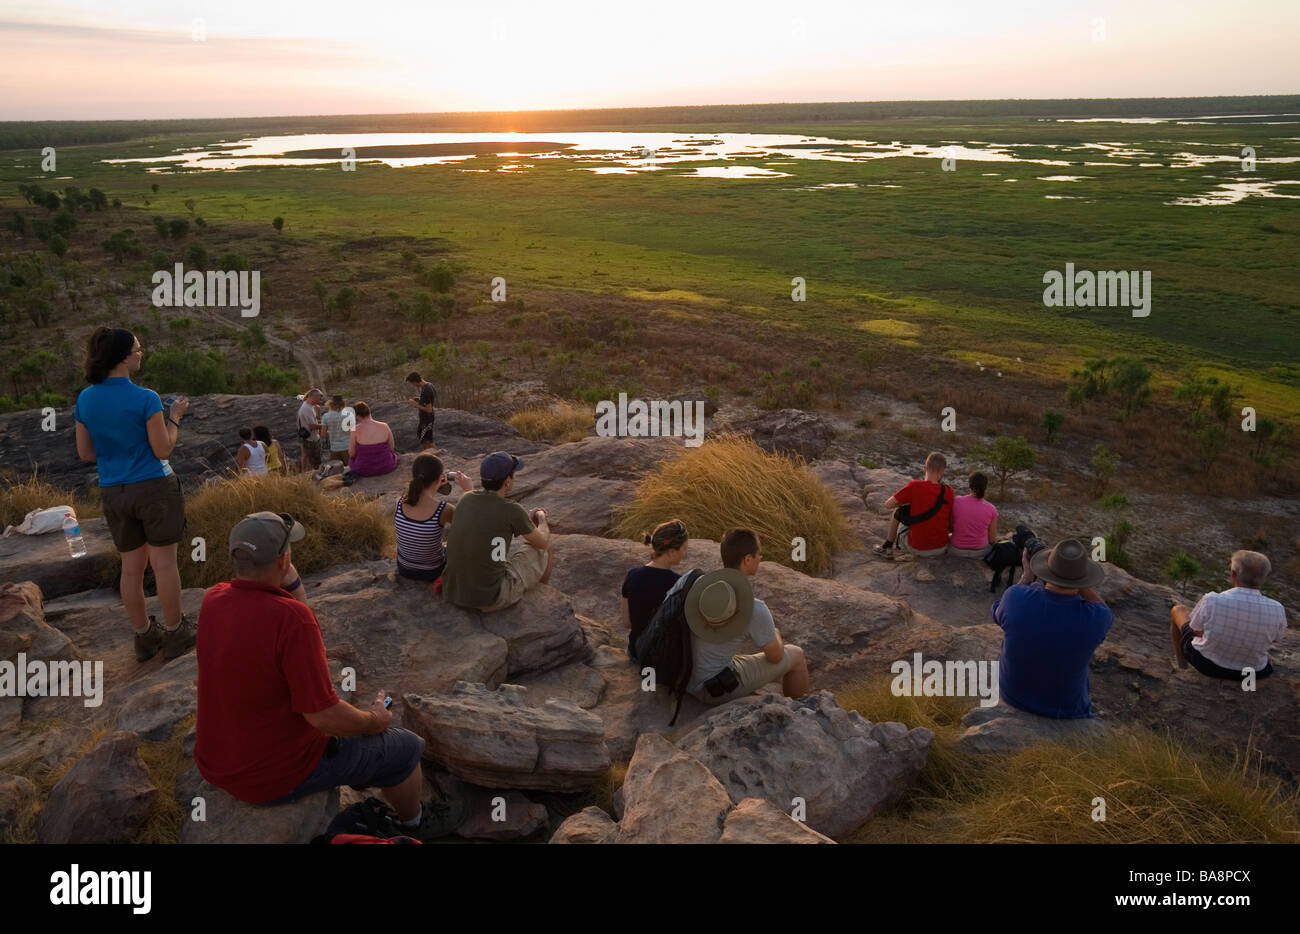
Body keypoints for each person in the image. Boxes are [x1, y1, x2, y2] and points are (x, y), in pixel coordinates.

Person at [194, 511, 462, 837]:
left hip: (215, 762)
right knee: (405, 748)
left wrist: (291, 584)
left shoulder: (213, 599)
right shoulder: (293, 622)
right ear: (283, 559)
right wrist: (372, 721)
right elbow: (323, 716)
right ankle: (414, 824)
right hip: (272, 776)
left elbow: (286, 625)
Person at [73, 327, 196, 663]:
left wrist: (118, 451)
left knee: (132, 568)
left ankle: (144, 636)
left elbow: (85, 453)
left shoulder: (85, 399)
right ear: (124, 357)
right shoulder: (146, 398)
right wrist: (174, 418)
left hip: (114, 491)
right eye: (138, 349)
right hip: (154, 486)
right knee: (164, 563)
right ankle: (175, 632)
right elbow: (162, 449)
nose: (141, 354)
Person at [684, 529, 809, 705]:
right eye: (759, 554)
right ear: (747, 559)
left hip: (685, 677)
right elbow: (776, 657)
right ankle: (799, 712)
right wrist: (776, 634)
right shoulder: (754, 608)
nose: (761, 558)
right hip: (712, 689)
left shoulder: (699, 585)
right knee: (797, 655)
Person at [990, 539, 1113, 718]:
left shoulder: (1015, 599)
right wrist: (1079, 582)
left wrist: (1027, 576)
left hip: (1013, 697)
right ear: (1084, 578)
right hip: (1066, 709)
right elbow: (1103, 608)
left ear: (1044, 570)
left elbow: (998, 611)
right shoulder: (1098, 618)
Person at [441, 452, 553, 612]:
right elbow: (542, 542)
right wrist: (541, 519)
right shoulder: (512, 509)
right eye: (513, 475)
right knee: (546, 548)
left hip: (454, 591)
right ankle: (544, 600)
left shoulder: (465, 499)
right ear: (507, 482)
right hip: (489, 597)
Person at [1170, 550, 1286, 681]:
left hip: (1209, 666)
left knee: (1178, 610)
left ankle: (1182, 667)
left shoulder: (1212, 599)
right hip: (1254, 673)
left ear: (1233, 574)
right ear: (1264, 578)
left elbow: (1195, 630)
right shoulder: (1277, 608)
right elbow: (1275, 639)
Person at [395, 454, 473, 582]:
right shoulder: (444, 509)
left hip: (404, 568)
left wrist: (435, 485)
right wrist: (469, 491)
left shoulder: (400, 501)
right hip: (432, 571)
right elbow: (470, 525)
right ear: (440, 478)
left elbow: (422, 500)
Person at [621, 519, 688, 661]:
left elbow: (627, 623)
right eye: (684, 548)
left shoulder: (632, 574)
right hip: (662, 659)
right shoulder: (679, 584)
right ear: (671, 551)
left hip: (636, 653)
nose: (685, 553)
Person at [874, 451, 953, 558]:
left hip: (917, 548)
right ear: (942, 472)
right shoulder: (949, 491)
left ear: (924, 468)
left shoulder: (914, 486)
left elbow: (888, 504)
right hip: (941, 548)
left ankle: (887, 546)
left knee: (898, 510)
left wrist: (908, 501)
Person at [948, 471, 998, 558]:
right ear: (985, 487)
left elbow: (951, 528)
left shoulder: (956, 501)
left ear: (969, 485)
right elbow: (992, 539)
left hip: (956, 550)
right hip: (981, 551)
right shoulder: (991, 509)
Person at [347, 401, 400, 477]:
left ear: (357, 416)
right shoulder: (384, 426)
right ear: (369, 412)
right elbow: (391, 448)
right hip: (386, 465)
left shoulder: (355, 429)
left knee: (351, 461)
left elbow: (352, 453)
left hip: (363, 468)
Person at [405, 372, 437, 452]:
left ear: (415, 381)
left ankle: (431, 456)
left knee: (426, 440)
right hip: (427, 419)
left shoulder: (425, 390)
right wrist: (420, 399)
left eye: (412, 383)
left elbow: (429, 409)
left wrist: (415, 404)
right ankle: (432, 455)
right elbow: (430, 399)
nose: (413, 385)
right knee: (425, 438)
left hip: (426, 419)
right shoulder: (429, 385)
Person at [297, 388, 324, 473]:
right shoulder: (306, 409)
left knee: (311, 458)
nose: (320, 400)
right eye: (319, 398)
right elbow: (312, 426)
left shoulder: (310, 406)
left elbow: (314, 421)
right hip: (311, 439)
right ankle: (314, 478)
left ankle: (306, 472)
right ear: (313, 397)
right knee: (315, 462)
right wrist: (325, 426)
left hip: (312, 437)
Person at [320, 394, 351, 467]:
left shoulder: (326, 416)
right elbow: (353, 432)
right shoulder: (349, 415)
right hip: (347, 447)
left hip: (334, 448)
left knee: (337, 471)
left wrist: (331, 432)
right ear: (343, 404)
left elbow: (323, 434)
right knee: (350, 469)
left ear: (331, 404)